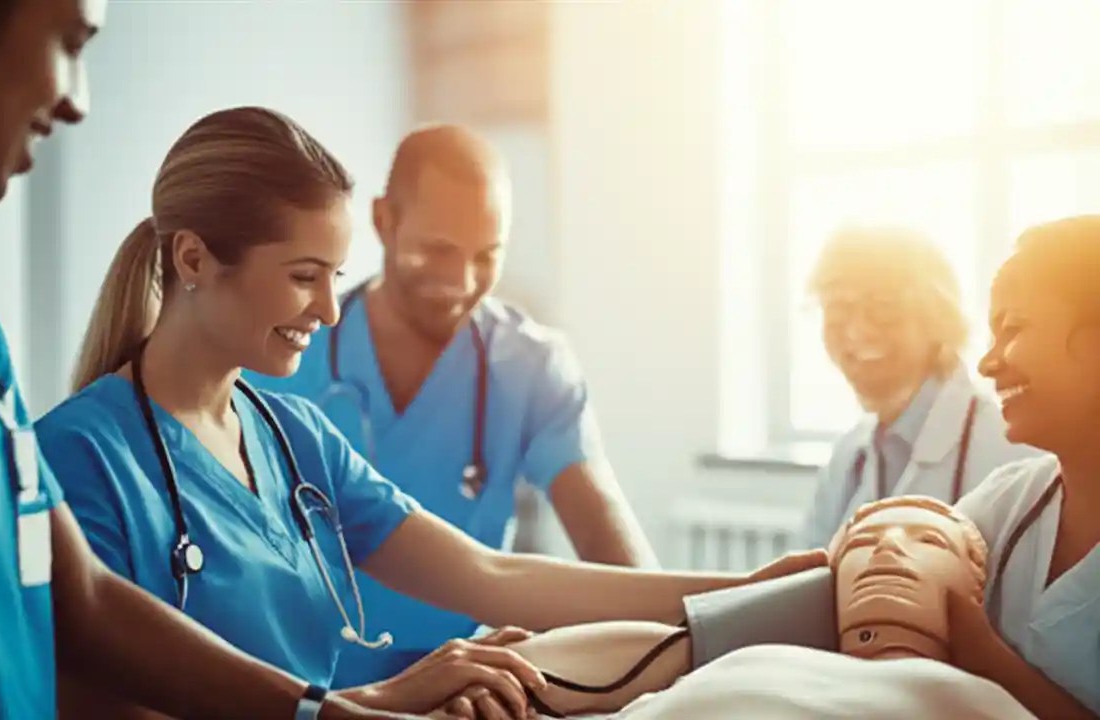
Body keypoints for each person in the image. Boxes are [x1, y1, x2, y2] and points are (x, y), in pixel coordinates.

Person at [37, 106, 829, 719]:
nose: (329, 309)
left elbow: (490, 575)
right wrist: (382, 702)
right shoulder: (80, 460)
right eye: (303, 276)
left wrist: (752, 590)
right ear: (193, 260)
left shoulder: (290, 435)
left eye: (333, 275)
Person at [0, 2, 424, 718]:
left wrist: (331, 713)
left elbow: (82, 601)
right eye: (68, 42)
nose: (77, 101)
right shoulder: (82, 441)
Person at [245, 123, 658, 686]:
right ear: (383, 220)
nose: (462, 282)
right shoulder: (284, 358)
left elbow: (621, 567)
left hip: (470, 689)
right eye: (437, 250)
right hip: (308, 686)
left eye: (486, 257)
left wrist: (724, 619)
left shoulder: (530, 367)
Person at [445, 495, 998, 718]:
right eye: (859, 544)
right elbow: (539, 666)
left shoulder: (980, 702)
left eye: (929, 542)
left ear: (977, 588)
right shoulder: (751, 657)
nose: (887, 548)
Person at [947, 216, 1100, 719]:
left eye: (1012, 328)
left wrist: (988, 661)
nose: (987, 364)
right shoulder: (1005, 503)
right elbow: (914, 549)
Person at [800, 225, 1037, 548]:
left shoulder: (1008, 449)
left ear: (937, 316)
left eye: (882, 307)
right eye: (838, 309)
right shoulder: (848, 455)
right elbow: (805, 579)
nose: (856, 331)